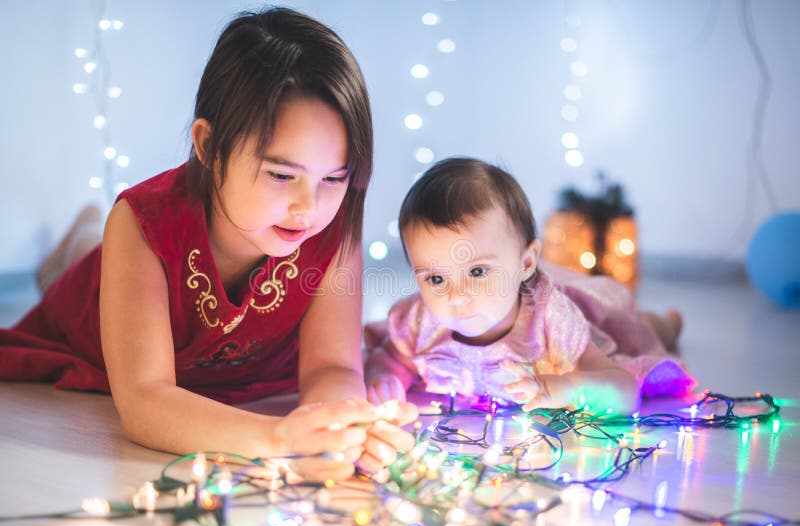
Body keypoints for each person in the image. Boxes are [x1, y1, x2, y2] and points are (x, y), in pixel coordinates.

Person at [0, 7, 416, 480]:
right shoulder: (141, 223)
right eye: (281, 175)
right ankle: (78, 245)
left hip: (242, 364)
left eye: (333, 178)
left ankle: (82, 238)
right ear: (207, 146)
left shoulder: (331, 224)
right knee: (83, 267)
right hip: (94, 313)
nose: (308, 207)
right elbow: (143, 401)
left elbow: (332, 367)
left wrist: (343, 426)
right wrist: (279, 439)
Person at [365, 157, 695, 414]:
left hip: (587, 316)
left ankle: (667, 324)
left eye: (478, 272)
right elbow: (393, 357)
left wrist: (566, 388)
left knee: (632, 329)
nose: (457, 295)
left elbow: (624, 390)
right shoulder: (420, 321)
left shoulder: (551, 320)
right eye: (436, 278)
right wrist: (385, 378)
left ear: (525, 263)